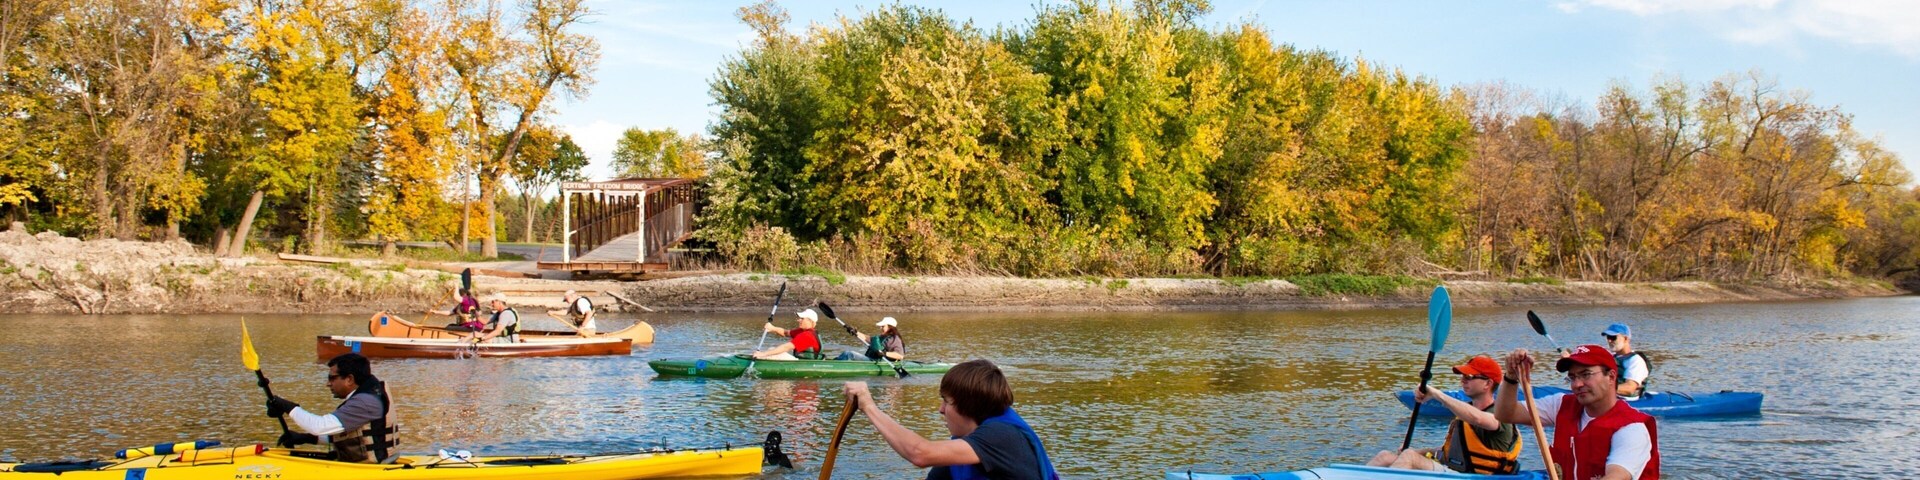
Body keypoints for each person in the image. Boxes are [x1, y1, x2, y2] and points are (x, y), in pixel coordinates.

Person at [843, 359, 1059, 480]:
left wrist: (869, 407)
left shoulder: (1003, 436)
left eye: (947, 401)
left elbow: (920, 454)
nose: (941, 409)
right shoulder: (965, 447)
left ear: (969, 405)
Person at [1494, 345, 1660, 480]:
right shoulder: (1561, 405)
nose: (1577, 384)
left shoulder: (1633, 428)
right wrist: (1511, 377)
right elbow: (1506, 414)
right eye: (1572, 377)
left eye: (1586, 375)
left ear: (1610, 377)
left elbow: (1616, 476)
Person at [1366, 355, 1522, 474]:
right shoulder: (1465, 412)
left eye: (1469, 377)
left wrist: (1437, 394)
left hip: (1476, 477)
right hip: (1454, 472)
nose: (1463, 381)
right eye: (1462, 377)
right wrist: (1417, 450)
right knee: (1385, 455)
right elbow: (1450, 452)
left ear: (1488, 384)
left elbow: (1478, 418)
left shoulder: (1501, 415)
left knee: (1409, 458)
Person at [265, 353, 401, 463]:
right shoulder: (369, 393)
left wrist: (288, 407)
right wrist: (307, 438)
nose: (328, 384)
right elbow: (354, 436)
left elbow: (318, 426)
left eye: (332, 378)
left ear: (349, 379)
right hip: (381, 463)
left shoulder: (365, 402)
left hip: (371, 471)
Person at [753, 308, 824, 360]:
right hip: (802, 361)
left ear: (810, 321)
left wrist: (763, 354)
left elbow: (786, 347)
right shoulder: (803, 331)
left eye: (802, 318)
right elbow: (786, 333)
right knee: (771, 350)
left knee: (772, 353)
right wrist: (772, 328)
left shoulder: (807, 336)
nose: (798, 320)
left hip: (806, 364)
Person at [1603, 323, 1650, 398]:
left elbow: (1629, 388)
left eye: (1613, 337)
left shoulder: (1635, 360)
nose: (1609, 341)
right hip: (1611, 397)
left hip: (1627, 400)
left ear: (1625, 339)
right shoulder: (1612, 358)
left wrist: (1599, 389)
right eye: (1608, 337)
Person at [836, 316, 906, 362]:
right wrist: (855, 332)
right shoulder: (881, 337)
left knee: (849, 354)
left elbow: (900, 355)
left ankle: (834, 364)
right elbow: (867, 338)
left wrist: (884, 353)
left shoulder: (894, 339)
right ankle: (834, 361)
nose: (880, 328)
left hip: (878, 362)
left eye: (883, 326)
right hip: (872, 360)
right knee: (847, 353)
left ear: (890, 327)